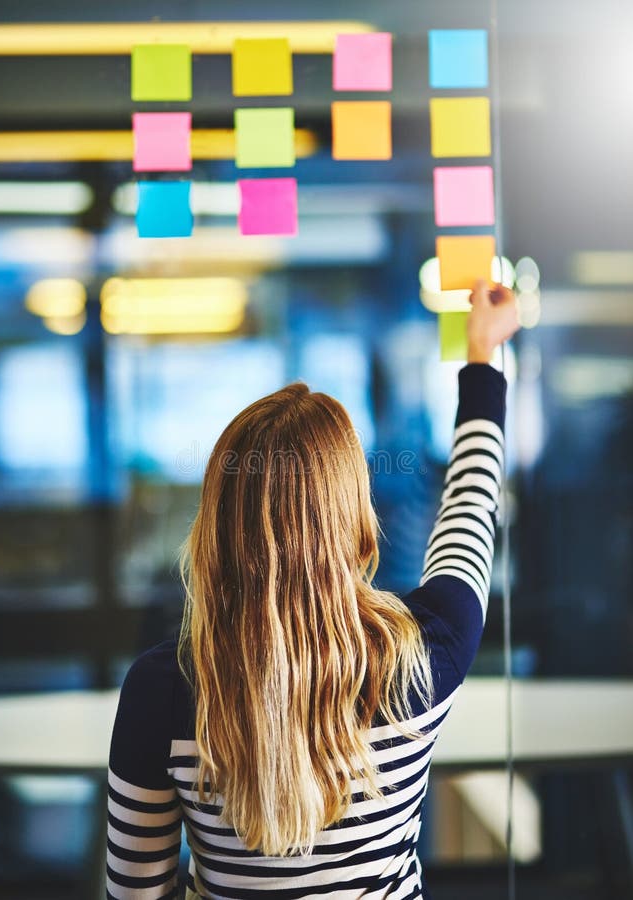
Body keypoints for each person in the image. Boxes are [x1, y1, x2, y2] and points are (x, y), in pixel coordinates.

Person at [106, 280, 520, 900]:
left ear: (218, 525)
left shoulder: (162, 691)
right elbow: (470, 505)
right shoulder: (423, 655)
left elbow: (135, 894)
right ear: (351, 519)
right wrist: (481, 355)